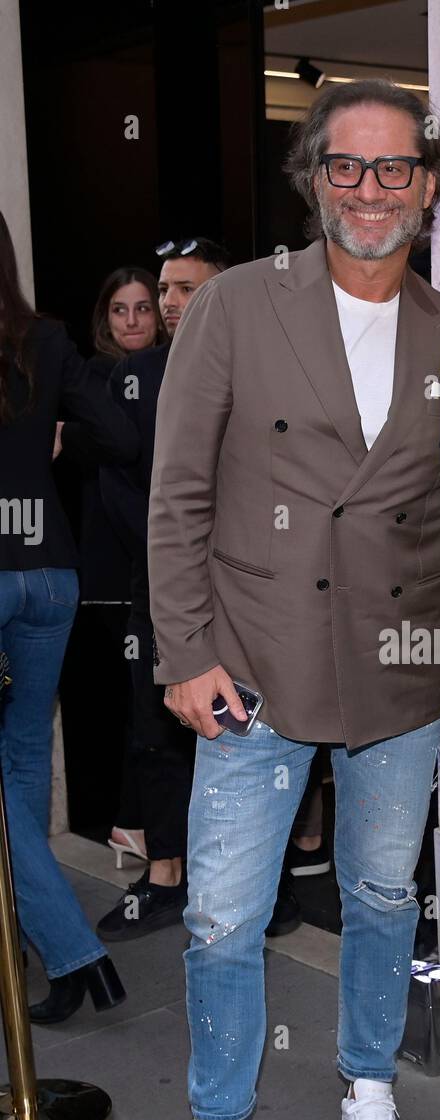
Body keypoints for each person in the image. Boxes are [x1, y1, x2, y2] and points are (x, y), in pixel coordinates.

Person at [147, 78, 440, 1120]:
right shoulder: (235, 304)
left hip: (398, 667)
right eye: (346, 168)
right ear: (313, 180)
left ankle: (366, 1090)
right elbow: (175, 490)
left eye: (393, 171)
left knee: (384, 897)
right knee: (224, 917)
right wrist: (184, 651)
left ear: (425, 191)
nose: (369, 190)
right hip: (253, 666)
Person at [0, 210, 137, 1023]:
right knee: (20, 769)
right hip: (51, 574)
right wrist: (56, 445)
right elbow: (119, 434)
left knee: (12, 778)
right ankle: (51, 955)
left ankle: (74, 950)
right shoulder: (48, 340)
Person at [94, 239, 228, 942]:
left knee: (239, 731)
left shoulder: (249, 367)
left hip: (238, 583)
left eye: (186, 288)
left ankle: (247, 883)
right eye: (166, 289)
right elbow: (121, 479)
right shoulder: (138, 375)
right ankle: (165, 874)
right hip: (160, 581)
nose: (171, 303)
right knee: (154, 731)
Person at [57, 267, 166, 872]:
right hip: (114, 572)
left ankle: (134, 823)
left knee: (147, 703)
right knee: (141, 703)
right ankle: (133, 823)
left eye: (143, 308)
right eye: (120, 309)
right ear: (104, 317)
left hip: (146, 569)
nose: (132, 320)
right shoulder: (96, 383)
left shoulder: (169, 375)